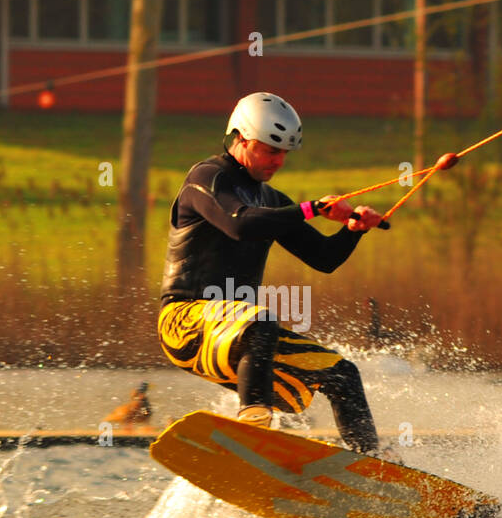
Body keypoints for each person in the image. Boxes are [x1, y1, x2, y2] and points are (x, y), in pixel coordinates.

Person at [157, 91, 388, 454]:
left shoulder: (273, 202)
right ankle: (253, 424)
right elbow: (239, 224)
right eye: (270, 150)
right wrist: (310, 209)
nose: (278, 161)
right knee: (260, 322)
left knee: (343, 375)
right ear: (242, 139)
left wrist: (352, 232)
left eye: (284, 153)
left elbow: (323, 258)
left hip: (241, 332)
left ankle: (376, 464)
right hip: (185, 322)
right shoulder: (207, 177)